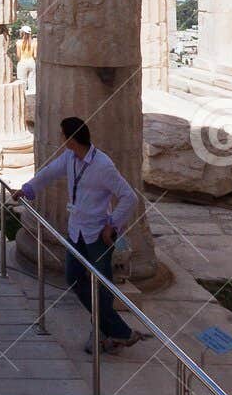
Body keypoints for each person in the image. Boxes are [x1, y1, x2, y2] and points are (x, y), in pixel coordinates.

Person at [18, 117, 148, 354]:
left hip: (97, 234)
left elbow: (129, 197)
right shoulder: (70, 158)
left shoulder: (103, 165)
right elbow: (49, 172)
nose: (60, 139)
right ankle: (117, 330)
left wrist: (112, 225)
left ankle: (104, 331)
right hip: (76, 230)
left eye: (62, 135)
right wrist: (28, 188)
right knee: (74, 278)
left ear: (70, 139)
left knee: (102, 286)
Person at [16, 24, 37, 95]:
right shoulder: (34, 42)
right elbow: (35, 55)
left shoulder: (18, 42)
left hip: (22, 61)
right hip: (31, 62)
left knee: (22, 82)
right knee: (32, 82)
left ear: (22, 33)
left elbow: (18, 55)